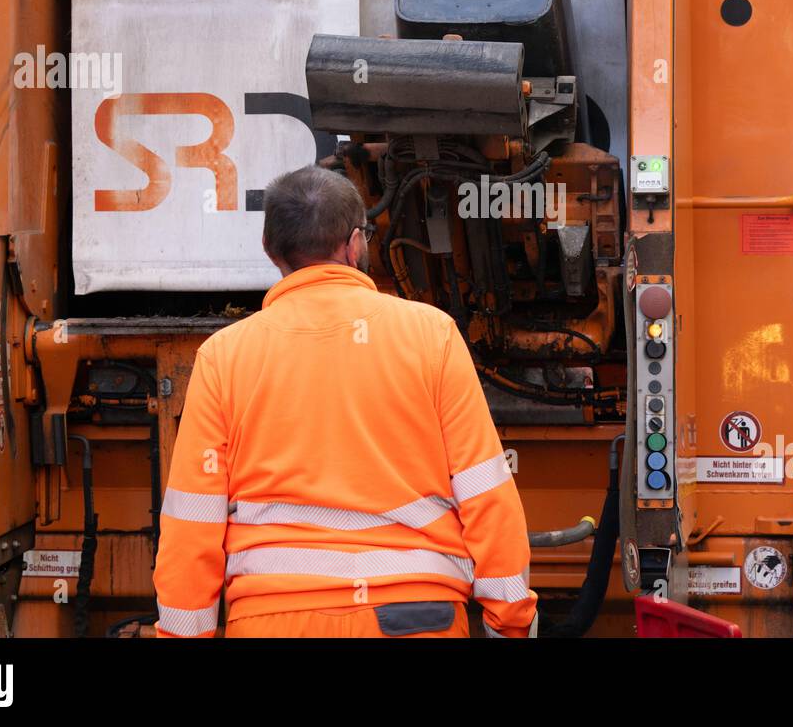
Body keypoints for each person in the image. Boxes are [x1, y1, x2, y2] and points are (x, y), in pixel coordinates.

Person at [152, 166, 537, 638]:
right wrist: (510, 620)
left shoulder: (224, 356)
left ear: (270, 251)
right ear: (354, 244)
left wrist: (183, 633)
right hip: (416, 616)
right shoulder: (430, 335)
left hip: (273, 621)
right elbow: (486, 493)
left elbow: (193, 522)